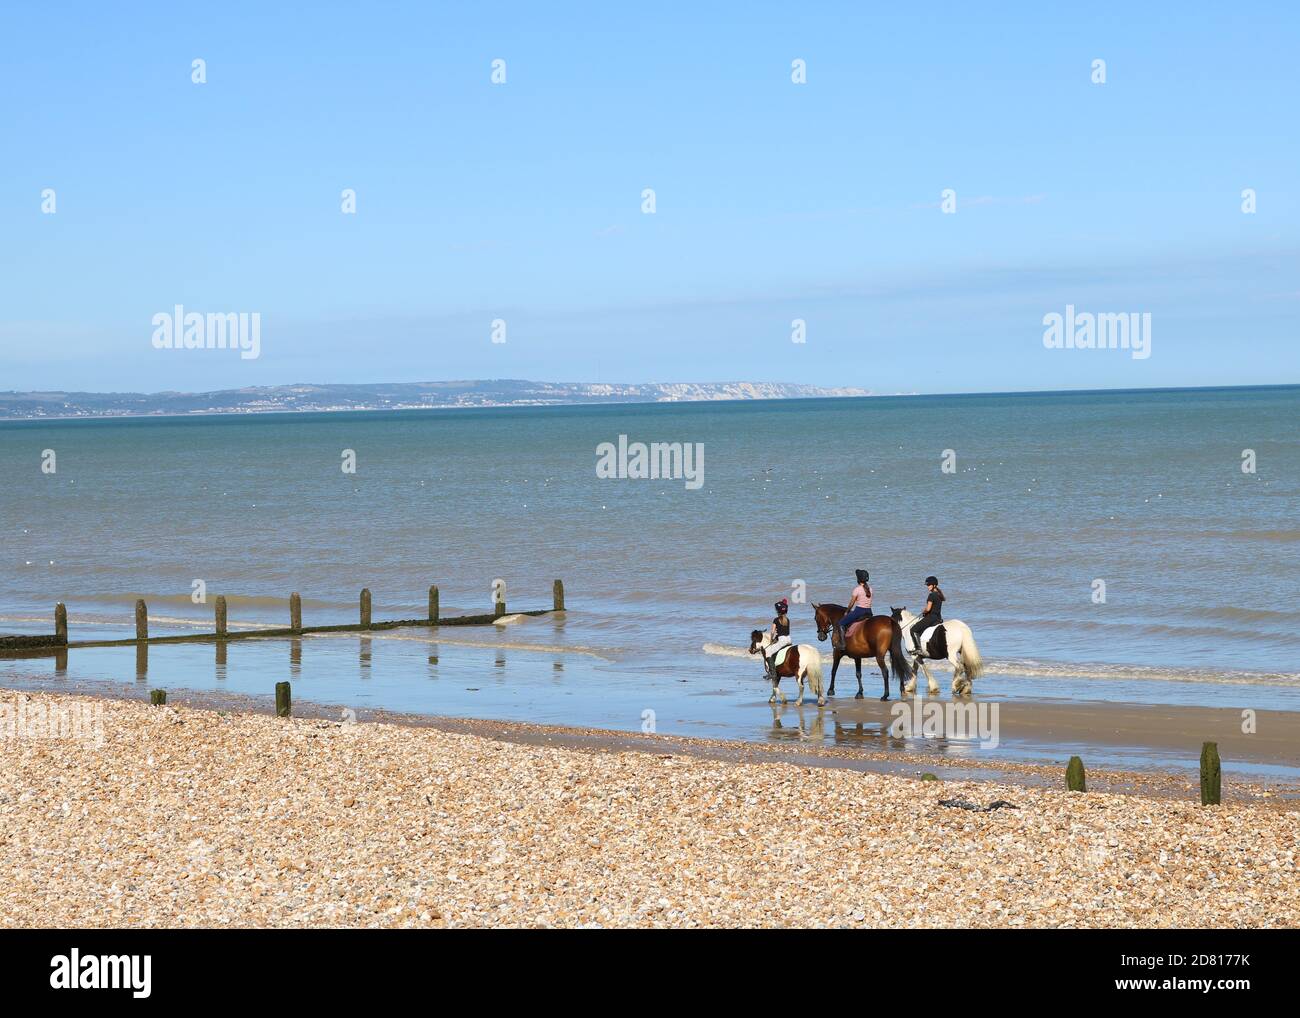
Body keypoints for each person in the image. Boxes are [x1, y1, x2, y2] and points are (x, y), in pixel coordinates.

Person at [834, 569, 873, 650]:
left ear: (858, 579)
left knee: (840, 623)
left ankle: (843, 644)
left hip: (859, 611)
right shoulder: (870, 589)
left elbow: (852, 603)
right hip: (869, 611)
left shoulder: (857, 589)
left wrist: (847, 611)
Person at [909, 575, 945, 657]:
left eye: (929, 585)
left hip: (931, 618)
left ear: (934, 585)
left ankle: (918, 649)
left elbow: (928, 609)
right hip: (938, 618)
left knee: (913, 629)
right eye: (927, 585)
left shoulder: (931, 595)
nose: (927, 586)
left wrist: (923, 611)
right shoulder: (939, 595)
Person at [764, 599, 792, 680]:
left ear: (778, 611)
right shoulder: (787, 620)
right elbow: (784, 631)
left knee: (768, 652)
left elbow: (772, 632)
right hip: (789, 639)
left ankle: (772, 673)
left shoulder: (776, 620)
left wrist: (771, 639)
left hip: (782, 640)